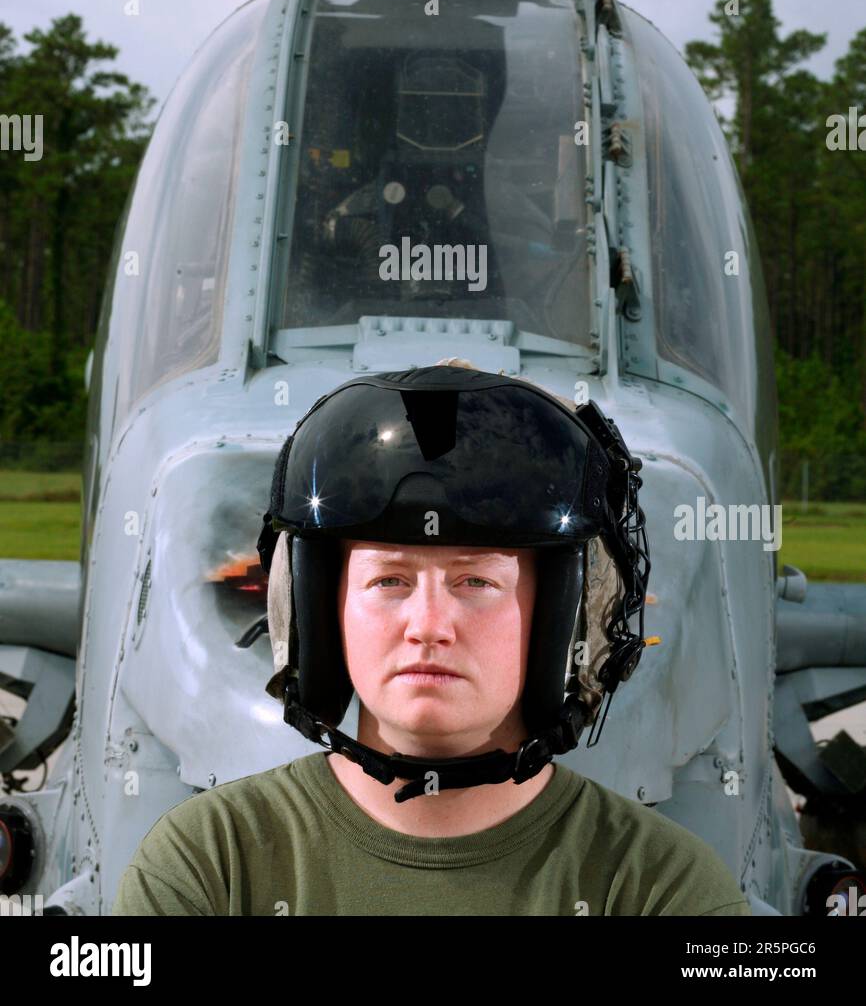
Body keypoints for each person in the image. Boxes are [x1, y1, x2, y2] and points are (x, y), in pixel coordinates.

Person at [111, 361, 751, 917]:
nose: (428, 625)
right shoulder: (206, 868)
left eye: (476, 582)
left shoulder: (662, 889)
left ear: (563, 616)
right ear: (322, 608)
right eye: (388, 580)